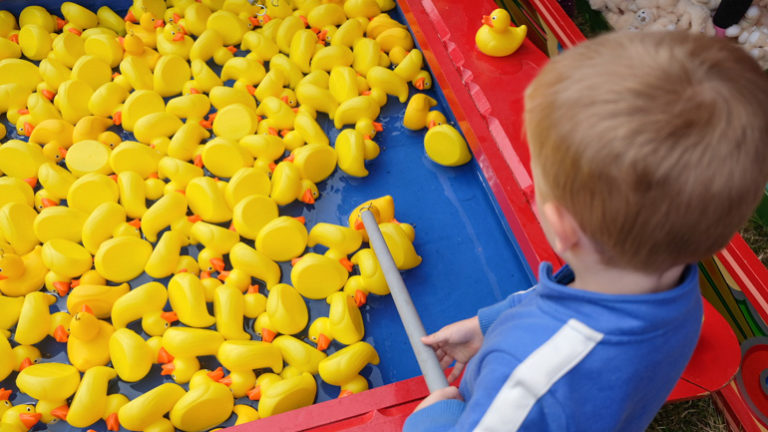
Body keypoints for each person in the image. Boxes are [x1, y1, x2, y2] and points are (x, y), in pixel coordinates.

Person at [403, 30, 768, 431]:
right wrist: (487, 326)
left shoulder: (526, 374)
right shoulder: (673, 290)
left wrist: (435, 420)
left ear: (562, 225)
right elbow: (576, 297)